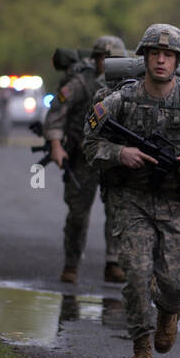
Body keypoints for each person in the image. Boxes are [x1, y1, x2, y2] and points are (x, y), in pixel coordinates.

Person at [82, 24, 180, 358]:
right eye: (155, 53)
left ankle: (168, 312)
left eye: (168, 55)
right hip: (132, 199)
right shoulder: (119, 101)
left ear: (178, 61)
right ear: (144, 58)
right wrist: (120, 153)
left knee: (175, 283)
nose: (161, 60)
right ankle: (141, 343)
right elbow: (90, 144)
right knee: (137, 275)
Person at [43, 35, 127, 283]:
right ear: (96, 59)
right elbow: (57, 111)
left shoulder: (128, 85)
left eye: (114, 59)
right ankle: (71, 264)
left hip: (114, 159)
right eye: (104, 58)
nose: (108, 63)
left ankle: (114, 262)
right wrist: (56, 145)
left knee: (118, 211)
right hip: (83, 158)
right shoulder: (82, 82)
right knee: (78, 213)